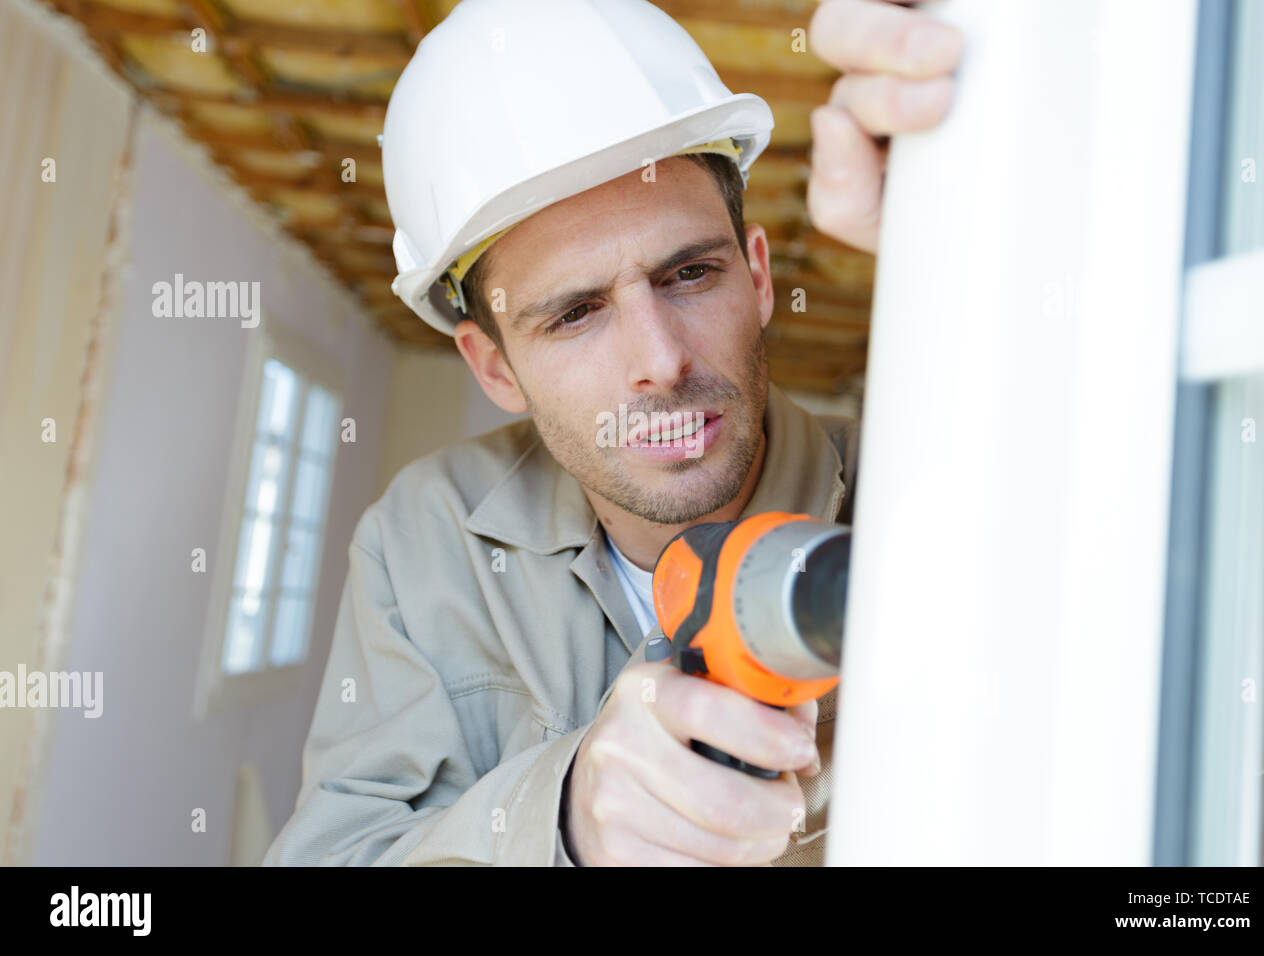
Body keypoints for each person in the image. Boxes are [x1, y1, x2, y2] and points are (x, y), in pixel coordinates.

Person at [263, 0, 962, 866]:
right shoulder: (425, 542)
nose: (662, 361)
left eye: (690, 273)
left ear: (757, 277)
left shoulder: (929, 492)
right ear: (494, 367)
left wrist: (974, 260)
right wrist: (559, 820)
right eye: (576, 314)